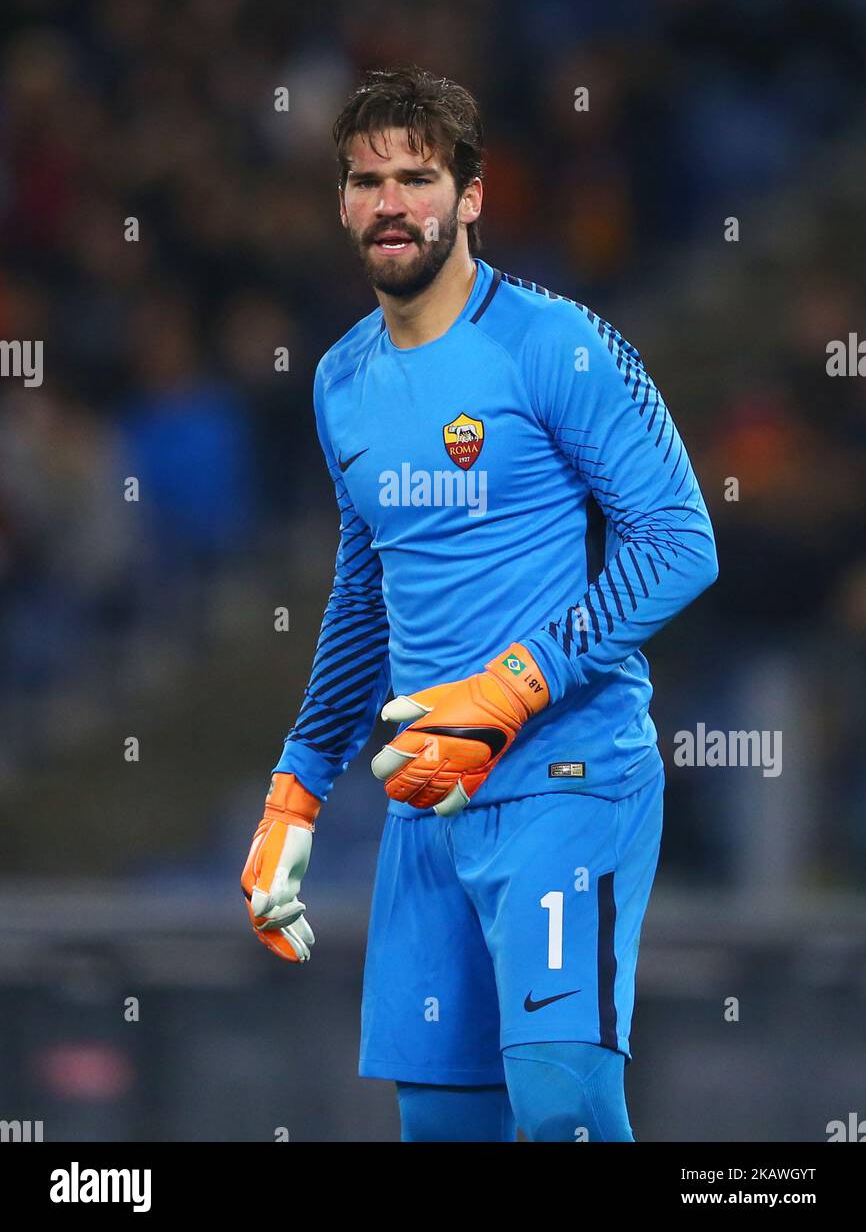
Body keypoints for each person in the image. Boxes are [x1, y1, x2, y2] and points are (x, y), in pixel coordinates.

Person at [241, 65, 719, 1142]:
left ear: (471, 194)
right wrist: (297, 787)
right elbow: (365, 594)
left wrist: (513, 682)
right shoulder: (339, 381)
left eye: (417, 177)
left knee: (562, 1105)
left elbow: (679, 544)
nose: (390, 203)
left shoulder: (558, 345)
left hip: (566, 778)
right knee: (445, 1130)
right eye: (366, 181)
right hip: (427, 808)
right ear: (342, 202)